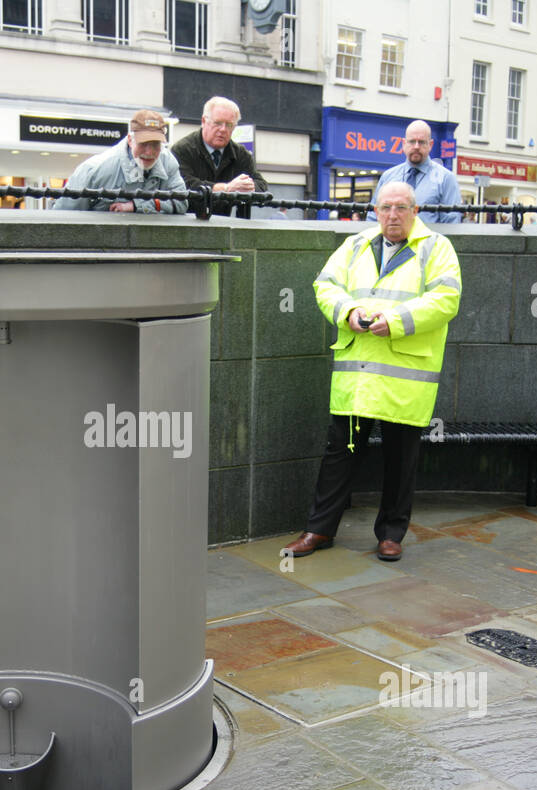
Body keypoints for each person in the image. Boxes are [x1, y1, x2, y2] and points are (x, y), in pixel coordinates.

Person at [283, 182, 462, 562]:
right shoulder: (356, 244)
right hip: (358, 375)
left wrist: (395, 320)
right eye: (385, 207)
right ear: (375, 211)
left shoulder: (436, 247)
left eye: (400, 207)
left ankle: (391, 534)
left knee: (401, 461)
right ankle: (319, 529)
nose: (392, 215)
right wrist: (348, 312)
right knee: (340, 455)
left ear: (415, 211)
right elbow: (325, 285)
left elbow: (446, 300)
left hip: (404, 377)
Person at [52, 109, 187, 214]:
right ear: (130, 140)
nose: (149, 152)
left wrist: (137, 205)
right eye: (144, 143)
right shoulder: (94, 170)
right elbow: (64, 216)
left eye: (155, 144)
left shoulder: (168, 163)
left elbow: (182, 203)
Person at [171, 96, 267, 217]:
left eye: (229, 125)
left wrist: (248, 187)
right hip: (187, 223)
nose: (223, 129)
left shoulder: (241, 154)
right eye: (218, 123)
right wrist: (226, 189)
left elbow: (262, 186)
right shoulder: (182, 150)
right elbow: (183, 186)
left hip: (224, 227)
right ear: (204, 121)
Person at [372, 120, 462, 224]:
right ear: (403, 143)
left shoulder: (446, 179)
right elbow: (374, 217)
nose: (416, 146)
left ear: (431, 145)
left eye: (422, 142)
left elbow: (451, 224)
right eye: (412, 141)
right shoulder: (388, 177)